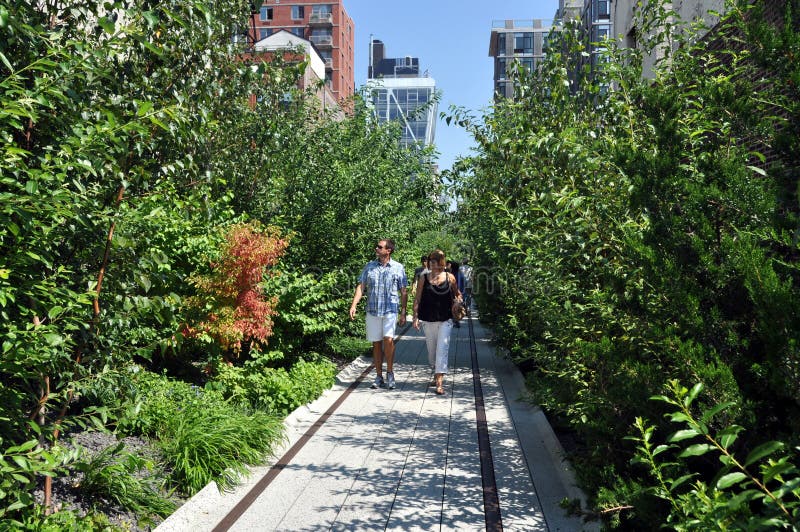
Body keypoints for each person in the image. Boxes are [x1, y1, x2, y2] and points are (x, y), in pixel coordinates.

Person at [349, 238, 408, 390]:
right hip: (373, 310)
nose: (376, 248)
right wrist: (354, 304)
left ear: (388, 250)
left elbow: (403, 291)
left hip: (390, 310)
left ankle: (390, 372)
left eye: (380, 247)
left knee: (388, 340)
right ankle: (378, 376)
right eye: (377, 246)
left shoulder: (398, 267)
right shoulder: (369, 267)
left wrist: (403, 312)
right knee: (376, 343)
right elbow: (361, 286)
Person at [412, 250, 462, 395]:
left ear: (441, 262)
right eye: (430, 260)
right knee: (432, 351)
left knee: (442, 349)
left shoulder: (449, 277)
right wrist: (415, 317)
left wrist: (458, 301)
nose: (431, 263)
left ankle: (439, 382)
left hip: (445, 319)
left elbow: (458, 293)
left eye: (434, 260)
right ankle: (436, 372)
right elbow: (418, 299)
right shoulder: (424, 278)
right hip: (428, 319)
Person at [447, 260, 463, 328]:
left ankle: (456, 321)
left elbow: (456, 285)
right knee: (456, 307)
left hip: (455, 293)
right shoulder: (459, 273)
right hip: (459, 292)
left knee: (454, 307)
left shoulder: (453, 274)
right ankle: (456, 321)